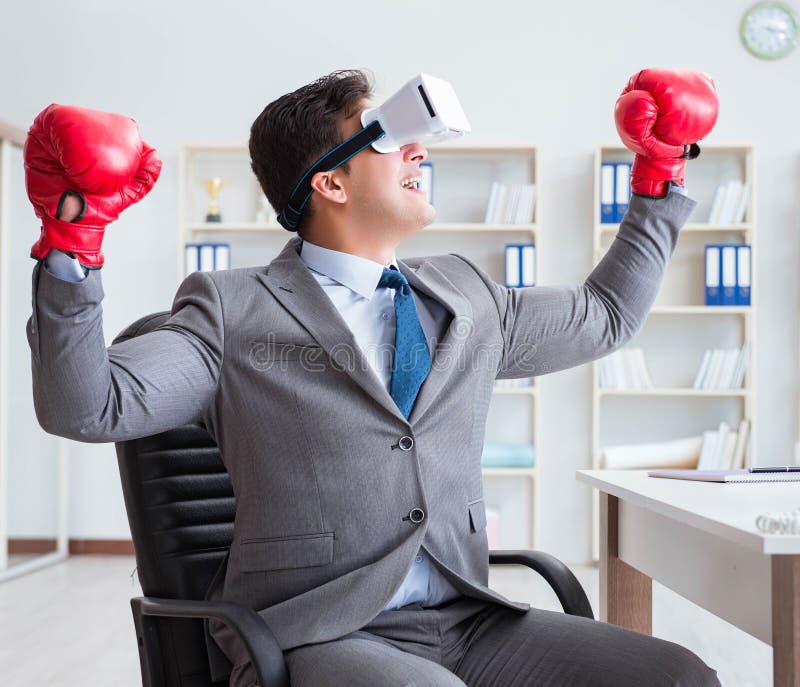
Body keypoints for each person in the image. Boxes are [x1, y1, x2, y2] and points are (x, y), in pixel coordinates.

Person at [25, 69, 721, 686]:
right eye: (388, 138)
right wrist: (72, 244)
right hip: (321, 634)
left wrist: (660, 179)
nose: (419, 150)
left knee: (679, 674)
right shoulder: (230, 308)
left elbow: (604, 315)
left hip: (470, 621)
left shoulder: (464, 294)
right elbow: (89, 405)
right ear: (330, 182)